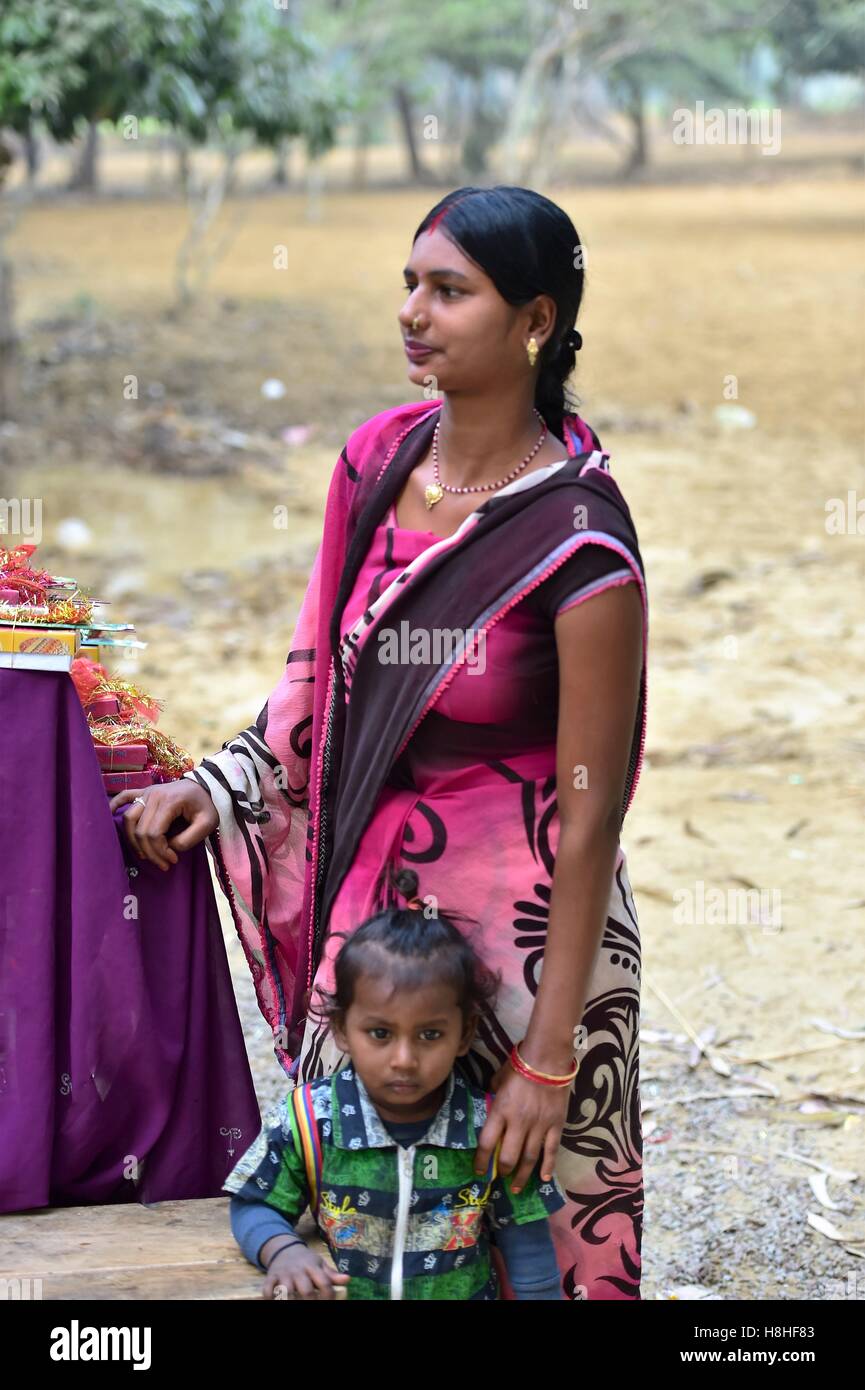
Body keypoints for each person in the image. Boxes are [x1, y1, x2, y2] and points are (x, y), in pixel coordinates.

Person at [110, 184, 648, 1301]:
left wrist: (550, 1059)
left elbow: (593, 811)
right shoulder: (373, 463)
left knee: (530, 1224)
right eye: (410, 283)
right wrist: (224, 779)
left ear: (535, 319)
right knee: (358, 1210)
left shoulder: (578, 544)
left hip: (529, 946)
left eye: (449, 291)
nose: (413, 311)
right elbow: (319, 671)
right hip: (375, 927)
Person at [225, 866, 567, 1300]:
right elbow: (254, 1202)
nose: (404, 1060)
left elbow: (531, 1255)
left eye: (430, 1035)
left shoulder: (491, 1131)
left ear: (464, 1035)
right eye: (381, 1034)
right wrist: (282, 1251)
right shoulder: (310, 1122)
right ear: (344, 1031)